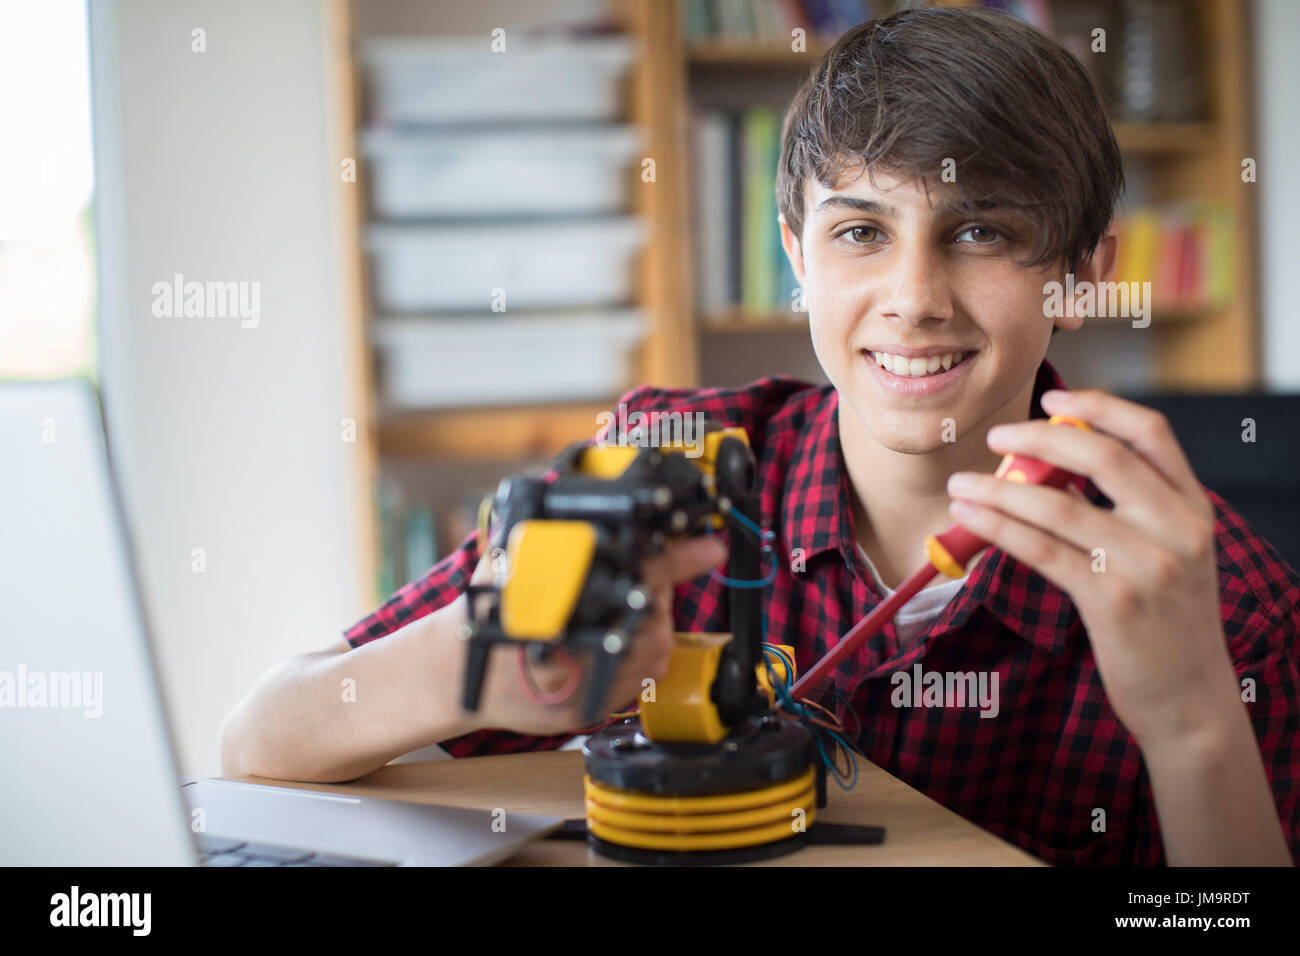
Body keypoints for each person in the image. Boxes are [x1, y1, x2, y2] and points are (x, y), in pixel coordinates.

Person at [221, 6, 1298, 865]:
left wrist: (1192, 719)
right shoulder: (661, 466)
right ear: (796, 254)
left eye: (980, 231)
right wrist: (473, 668)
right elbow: (257, 742)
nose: (913, 298)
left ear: (1086, 271)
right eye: (862, 231)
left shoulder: (1219, 604)